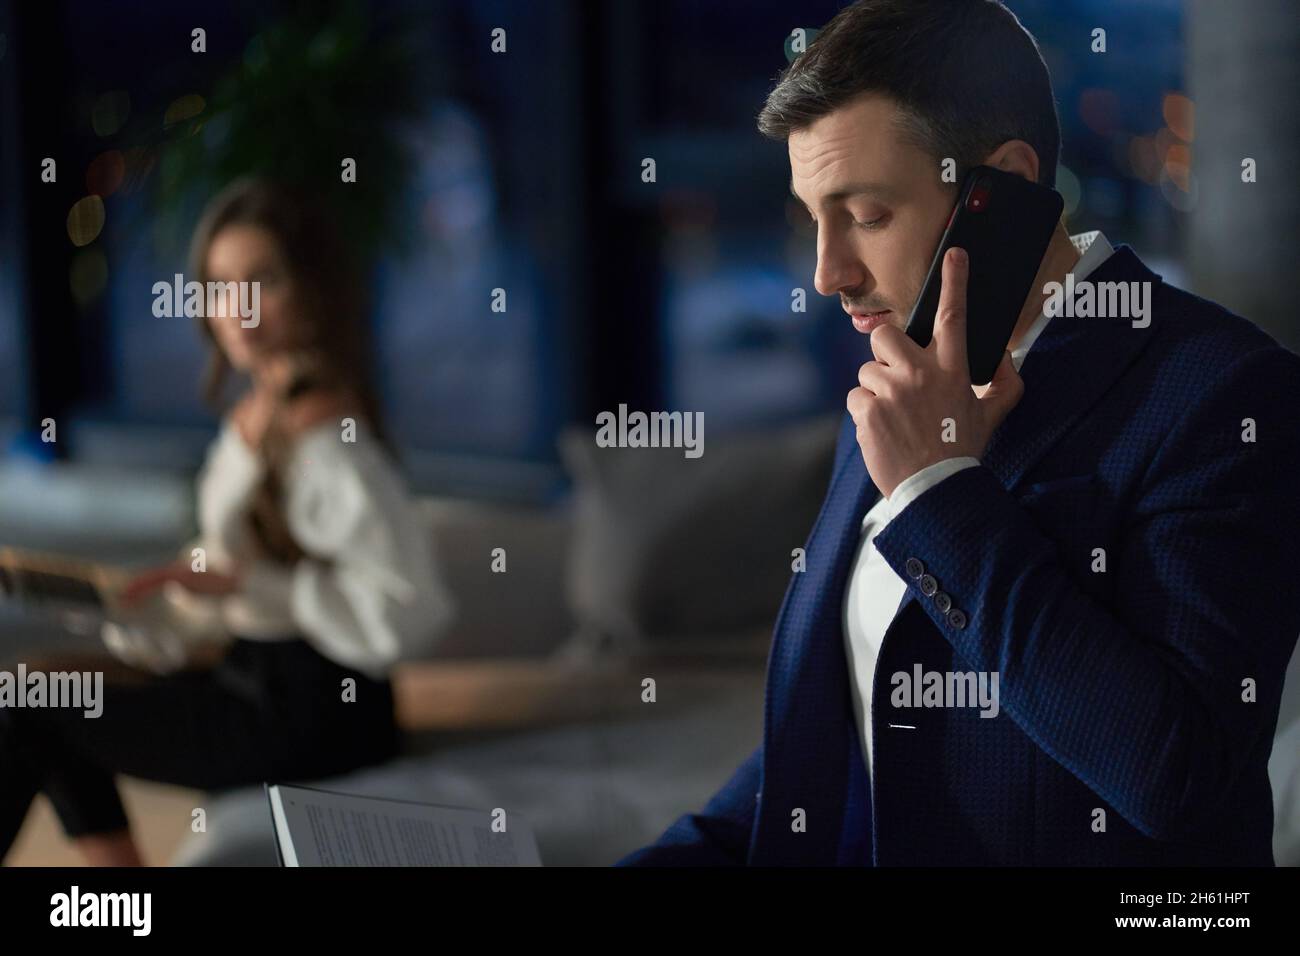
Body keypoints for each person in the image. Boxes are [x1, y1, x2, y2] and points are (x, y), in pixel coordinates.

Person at [619, 0, 1300, 865]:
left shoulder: (1225, 397)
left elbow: (1177, 777)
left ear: (1003, 186)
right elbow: (845, 727)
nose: (827, 273)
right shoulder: (897, 378)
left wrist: (940, 491)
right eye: (811, 218)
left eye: (865, 215)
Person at [0, 178, 455, 865]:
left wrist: (252, 586)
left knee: (30, 704)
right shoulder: (259, 408)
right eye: (218, 287)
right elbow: (244, 570)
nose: (238, 311)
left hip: (316, 715)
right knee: (34, 686)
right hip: (252, 675)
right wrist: (176, 591)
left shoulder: (330, 440)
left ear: (310, 288)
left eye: (262, 281)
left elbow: (412, 608)